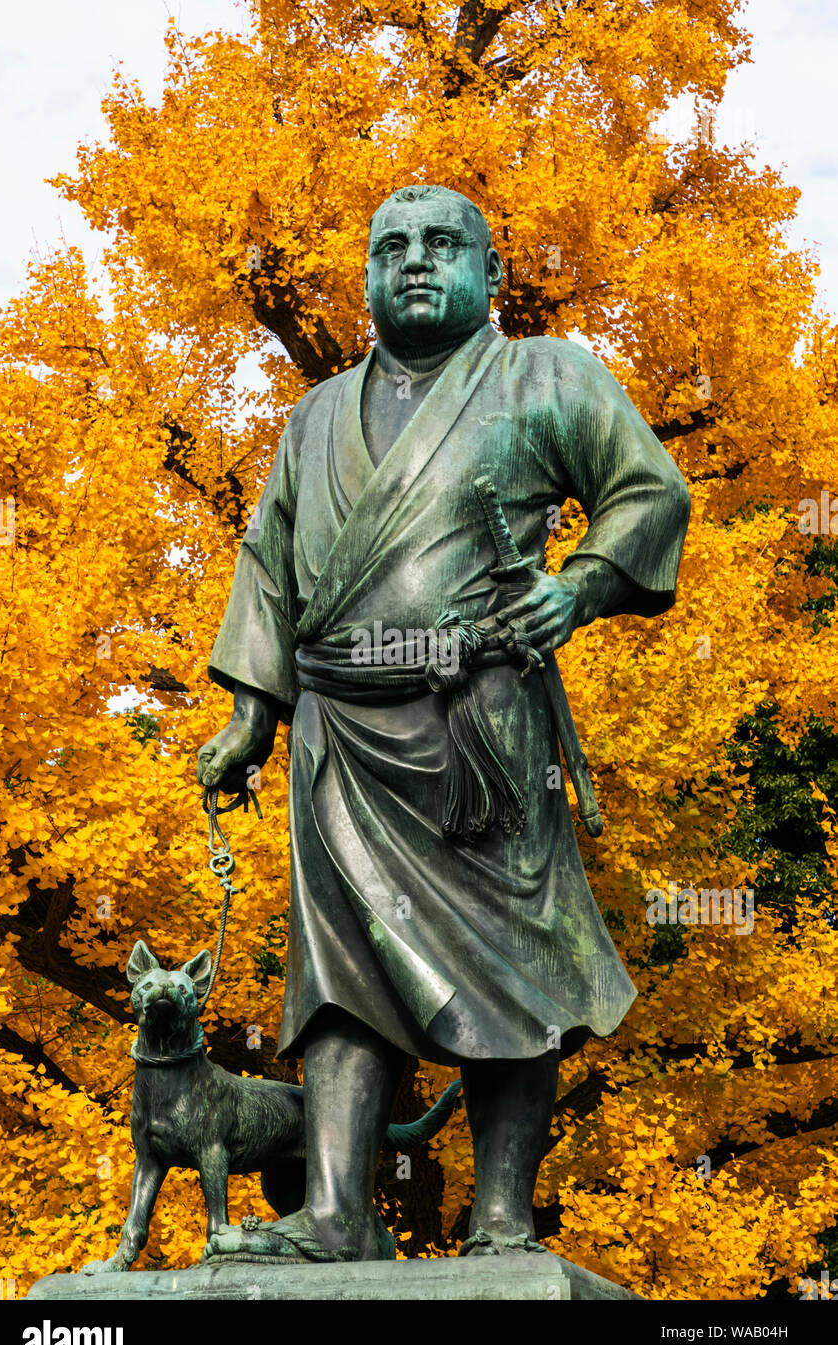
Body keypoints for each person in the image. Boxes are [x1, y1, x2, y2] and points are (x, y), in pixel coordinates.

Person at [196, 184, 690, 1262]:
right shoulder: (315, 416)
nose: (414, 261)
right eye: (391, 247)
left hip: (480, 726)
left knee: (514, 963)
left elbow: (650, 492)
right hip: (338, 732)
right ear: (370, 275)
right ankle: (336, 1212)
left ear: (490, 272)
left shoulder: (544, 376)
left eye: (440, 243)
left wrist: (578, 587)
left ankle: (502, 1216)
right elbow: (268, 564)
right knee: (337, 971)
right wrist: (249, 714)